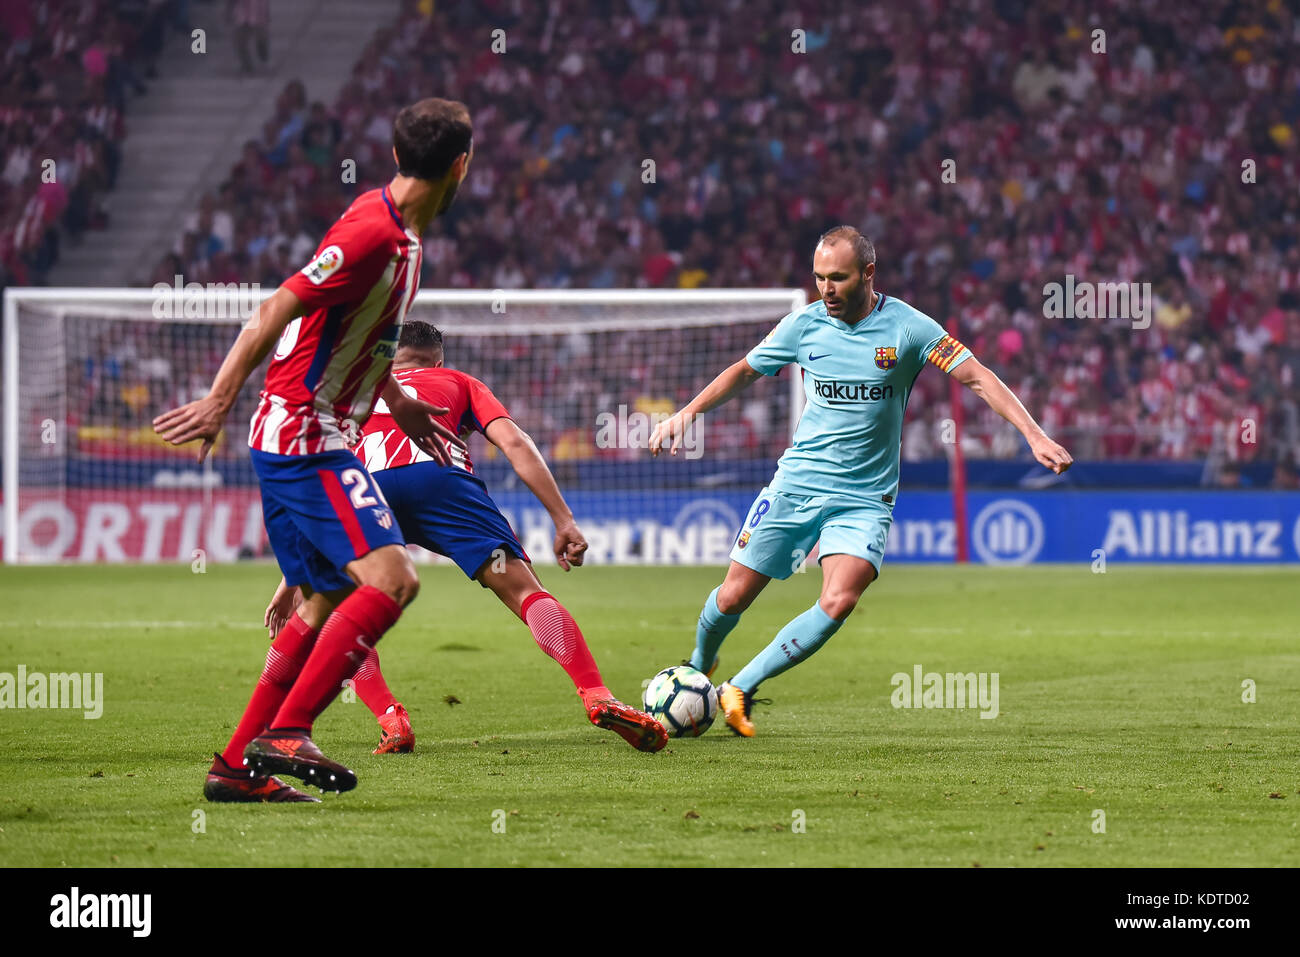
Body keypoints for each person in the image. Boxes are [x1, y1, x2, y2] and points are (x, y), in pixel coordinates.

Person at [155, 98, 474, 801]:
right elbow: (276, 307)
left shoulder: (393, 228)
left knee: (328, 591)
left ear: (395, 157)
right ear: (461, 165)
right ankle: (288, 727)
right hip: (306, 433)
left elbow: (349, 328)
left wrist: (394, 398)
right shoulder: (374, 234)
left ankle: (235, 768)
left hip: (309, 430)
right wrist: (217, 397)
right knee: (393, 581)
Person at [649, 226, 1073, 736]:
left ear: (868, 274)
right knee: (733, 597)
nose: (825, 289)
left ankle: (739, 686)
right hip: (797, 484)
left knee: (840, 598)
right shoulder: (802, 326)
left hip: (864, 497)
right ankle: (700, 660)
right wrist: (686, 414)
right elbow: (745, 371)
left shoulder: (909, 329)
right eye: (819, 278)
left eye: (838, 278)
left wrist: (1033, 435)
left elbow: (977, 375)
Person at [264, 321, 668, 754]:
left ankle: (390, 718)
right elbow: (514, 443)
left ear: (391, 356)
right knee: (525, 592)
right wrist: (563, 519)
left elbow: (322, 474)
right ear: (437, 360)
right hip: (442, 484)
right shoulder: (459, 381)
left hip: (368, 489)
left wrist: (293, 579)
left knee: (335, 608)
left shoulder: (358, 386)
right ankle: (596, 694)